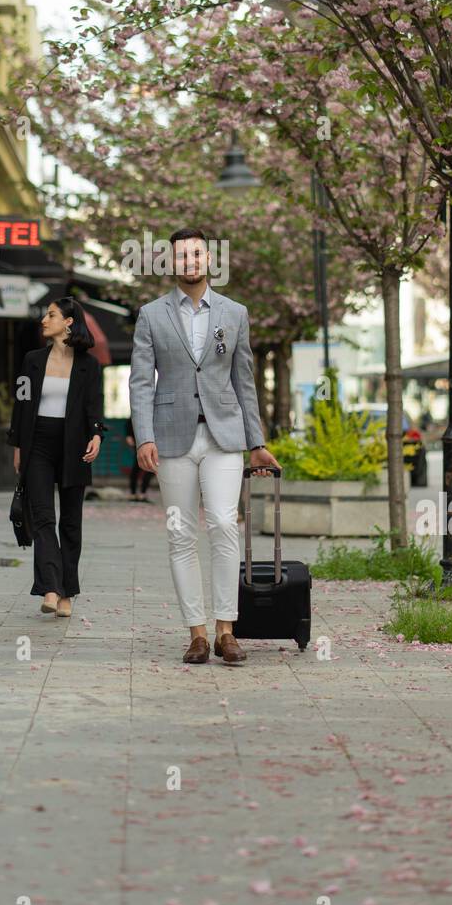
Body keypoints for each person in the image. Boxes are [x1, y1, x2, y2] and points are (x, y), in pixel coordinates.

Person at [129, 228, 278, 666]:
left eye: (197, 254)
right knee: (180, 534)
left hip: (224, 437)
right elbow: (140, 381)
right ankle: (196, 633)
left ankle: (226, 630)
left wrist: (257, 442)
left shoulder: (235, 313)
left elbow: (244, 381)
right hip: (171, 438)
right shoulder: (151, 315)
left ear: (209, 259)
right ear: (171, 263)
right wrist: (144, 436)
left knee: (223, 526)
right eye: (182, 256)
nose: (190, 262)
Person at [7, 297, 106, 618]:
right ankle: (51, 588)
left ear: (68, 322)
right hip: (37, 444)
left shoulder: (88, 364)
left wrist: (97, 435)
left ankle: (67, 591)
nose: (43, 320)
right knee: (43, 517)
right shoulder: (31, 360)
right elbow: (20, 406)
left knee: (71, 522)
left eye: (51, 315)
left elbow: (94, 405)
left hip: (74, 444)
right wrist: (18, 446)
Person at [125, 416, 152, 502]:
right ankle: (133, 493)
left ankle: (142, 493)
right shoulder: (135, 414)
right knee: (136, 468)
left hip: (152, 442)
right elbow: (130, 423)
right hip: (139, 443)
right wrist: (129, 436)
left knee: (150, 469)